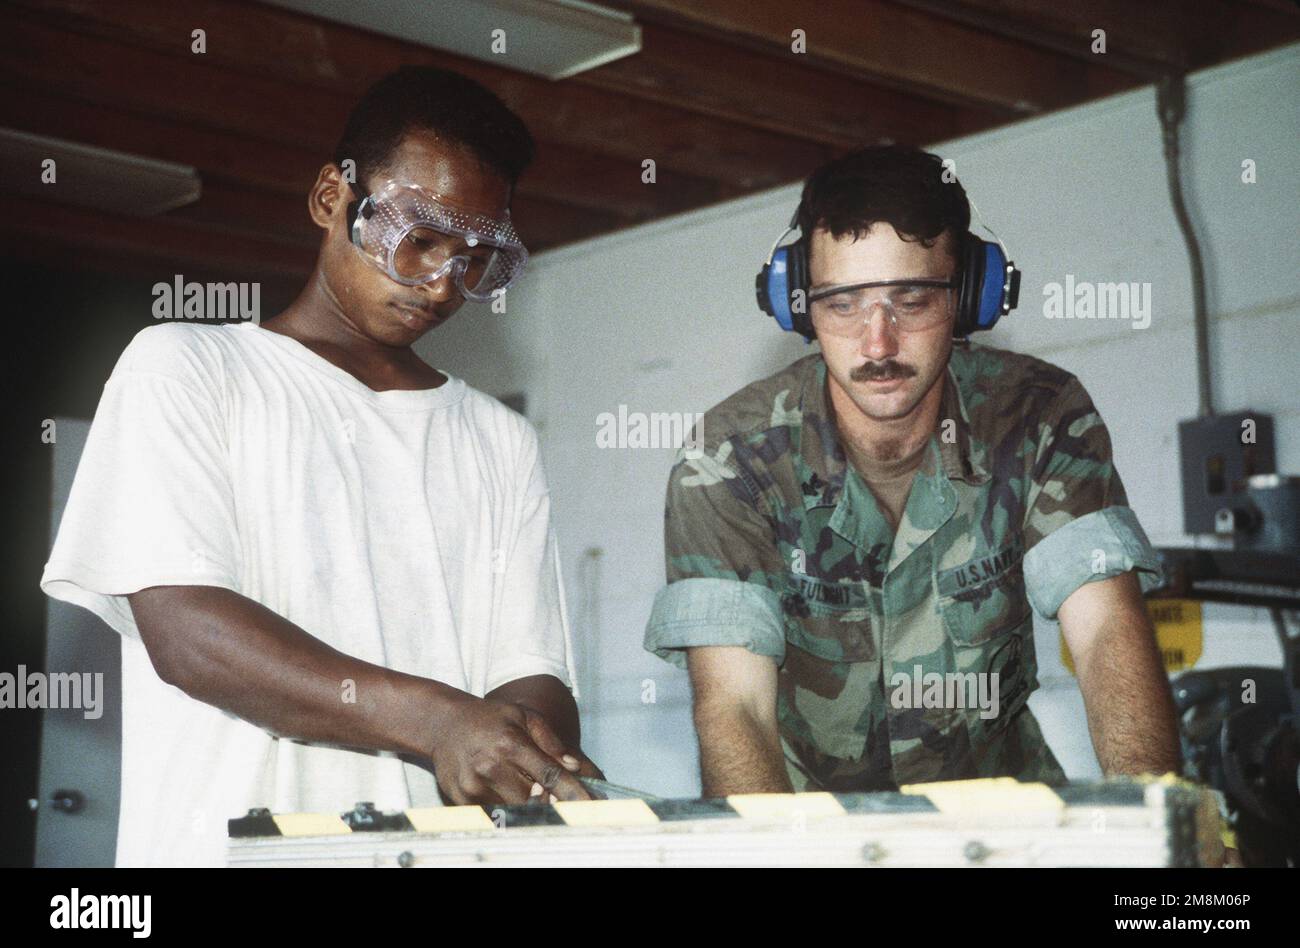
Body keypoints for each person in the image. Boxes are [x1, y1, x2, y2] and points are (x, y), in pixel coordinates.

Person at [42, 66, 598, 867]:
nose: (442, 284)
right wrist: (441, 722)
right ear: (332, 200)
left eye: (475, 259)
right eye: (420, 239)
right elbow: (188, 634)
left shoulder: (498, 436)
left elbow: (529, 670)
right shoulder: (186, 367)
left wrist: (530, 753)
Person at [644, 145, 1180, 796]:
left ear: (972, 296)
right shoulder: (728, 459)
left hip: (1000, 822)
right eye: (842, 304)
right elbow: (737, 707)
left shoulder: (1038, 418)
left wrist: (1162, 828)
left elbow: (1103, 634)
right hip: (809, 834)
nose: (878, 343)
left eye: (913, 300)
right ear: (797, 305)